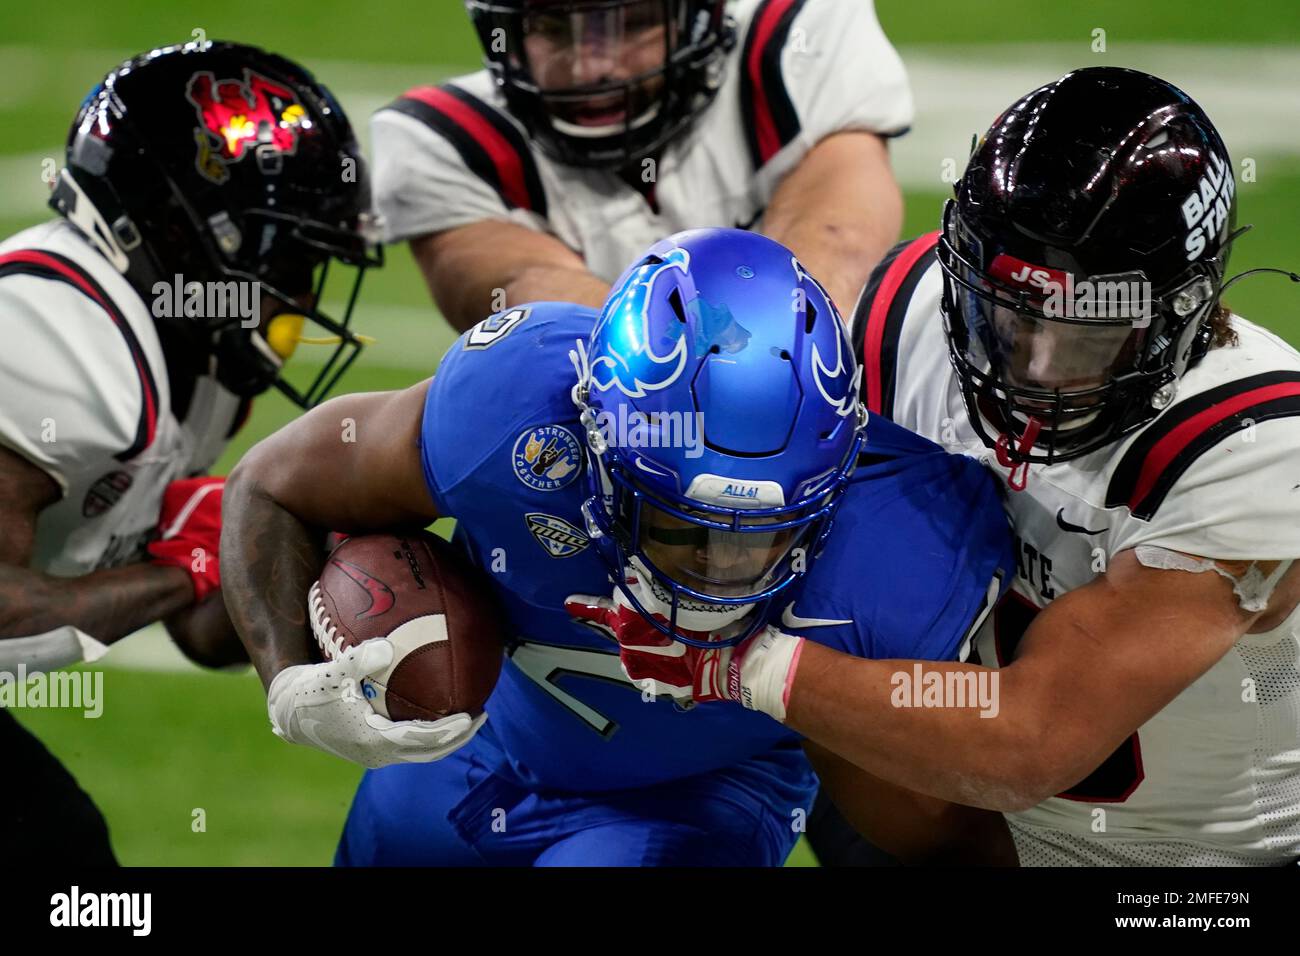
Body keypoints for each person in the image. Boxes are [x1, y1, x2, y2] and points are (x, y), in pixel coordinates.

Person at [624, 68, 1300, 866]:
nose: (1037, 369)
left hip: (1186, 866)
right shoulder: (899, 314)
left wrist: (743, 666)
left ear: (1178, 314)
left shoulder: (1251, 450)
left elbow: (1027, 739)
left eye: (1085, 337)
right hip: (914, 793)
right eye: (1008, 318)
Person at [220, 228, 1017, 866]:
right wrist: (288, 679)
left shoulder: (900, 548)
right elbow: (271, 484)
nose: (716, 570)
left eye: (762, 538)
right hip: (476, 741)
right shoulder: (514, 418)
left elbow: (924, 830)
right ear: (597, 448)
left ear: (833, 486)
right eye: (680, 528)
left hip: (698, 799)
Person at [0, 40, 381, 864]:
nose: (305, 298)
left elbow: (200, 636)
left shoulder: (194, 359)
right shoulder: (53, 347)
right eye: (289, 258)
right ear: (180, 235)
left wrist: (304, 563)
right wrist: (187, 566)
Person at [371, 0, 912, 329]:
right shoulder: (442, 138)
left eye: (632, 22)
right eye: (555, 27)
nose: (593, 64)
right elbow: (531, 293)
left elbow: (835, 242)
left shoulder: (794, 43)